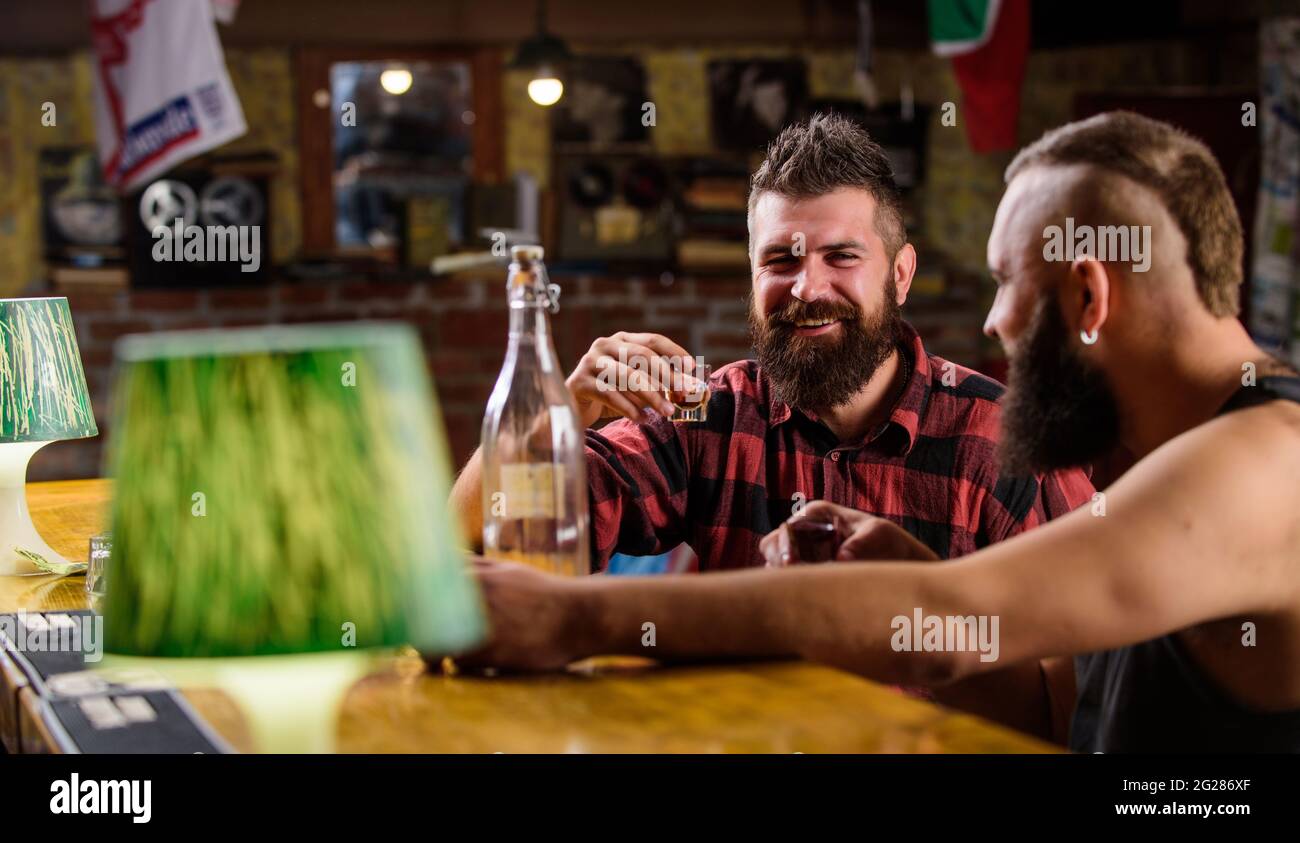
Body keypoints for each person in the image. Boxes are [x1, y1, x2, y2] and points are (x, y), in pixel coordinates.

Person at [458, 112, 1300, 752]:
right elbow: (1044, 696)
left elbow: (954, 611)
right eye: (780, 260)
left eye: (1009, 282)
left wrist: (576, 618)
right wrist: (912, 568)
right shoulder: (1199, 454)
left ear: (1090, 294)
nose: (998, 320)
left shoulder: (1266, 460)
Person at [450, 113, 1093, 573]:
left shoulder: (1006, 442)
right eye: (779, 261)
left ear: (900, 274)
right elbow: (480, 539)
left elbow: (1082, 670)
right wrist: (558, 413)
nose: (806, 288)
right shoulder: (710, 412)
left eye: (841, 256)